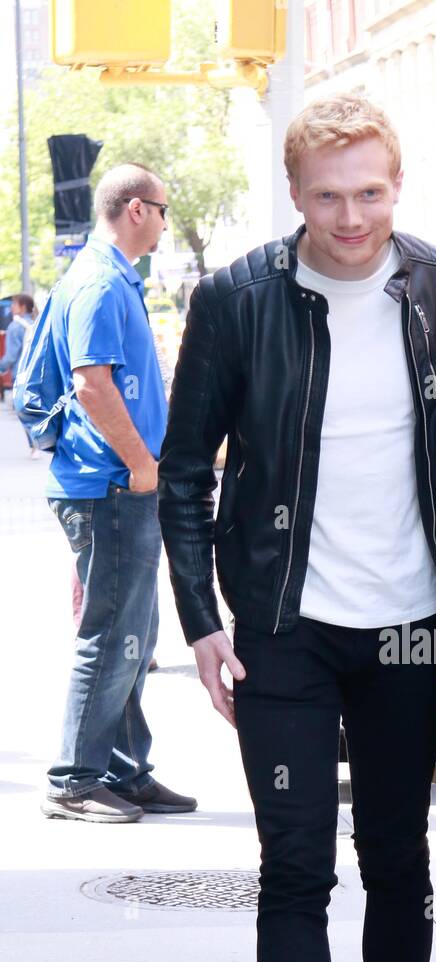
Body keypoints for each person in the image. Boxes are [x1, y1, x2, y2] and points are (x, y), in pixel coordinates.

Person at [158, 94, 436, 962]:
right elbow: (185, 472)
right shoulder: (237, 299)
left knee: (399, 867)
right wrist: (202, 619)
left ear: (397, 184)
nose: (351, 217)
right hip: (283, 629)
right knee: (294, 869)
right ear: (295, 193)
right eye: (328, 195)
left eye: (371, 191)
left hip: (409, 627)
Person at [41, 163, 195, 824]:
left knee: (134, 630)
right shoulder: (102, 281)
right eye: (162, 208)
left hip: (112, 482)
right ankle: (75, 781)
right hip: (111, 483)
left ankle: (124, 770)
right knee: (110, 632)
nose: (165, 220)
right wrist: (140, 462)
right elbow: (91, 384)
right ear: (136, 209)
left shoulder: (108, 277)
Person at [0, 293, 38, 454]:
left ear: (22, 307)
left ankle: (34, 443)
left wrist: (1, 367)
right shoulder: (36, 323)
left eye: (14, 304)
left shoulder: (15, 326)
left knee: (23, 410)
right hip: (36, 371)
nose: (11, 307)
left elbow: (12, 354)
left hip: (20, 373)